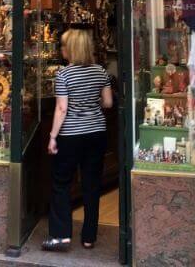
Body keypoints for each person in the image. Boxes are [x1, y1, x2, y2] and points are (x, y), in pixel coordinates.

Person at [42, 27, 113, 252]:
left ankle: (61, 236)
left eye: (63, 45)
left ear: (71, 48)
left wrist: (52, 137)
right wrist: (91, 105)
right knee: (92, 184)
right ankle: (89, 237)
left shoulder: (64, 74)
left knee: (61, 183)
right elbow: (108, 103)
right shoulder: (100, 71)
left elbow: (61, 108)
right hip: (96, 133)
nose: (61, 49)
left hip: (71, 135)